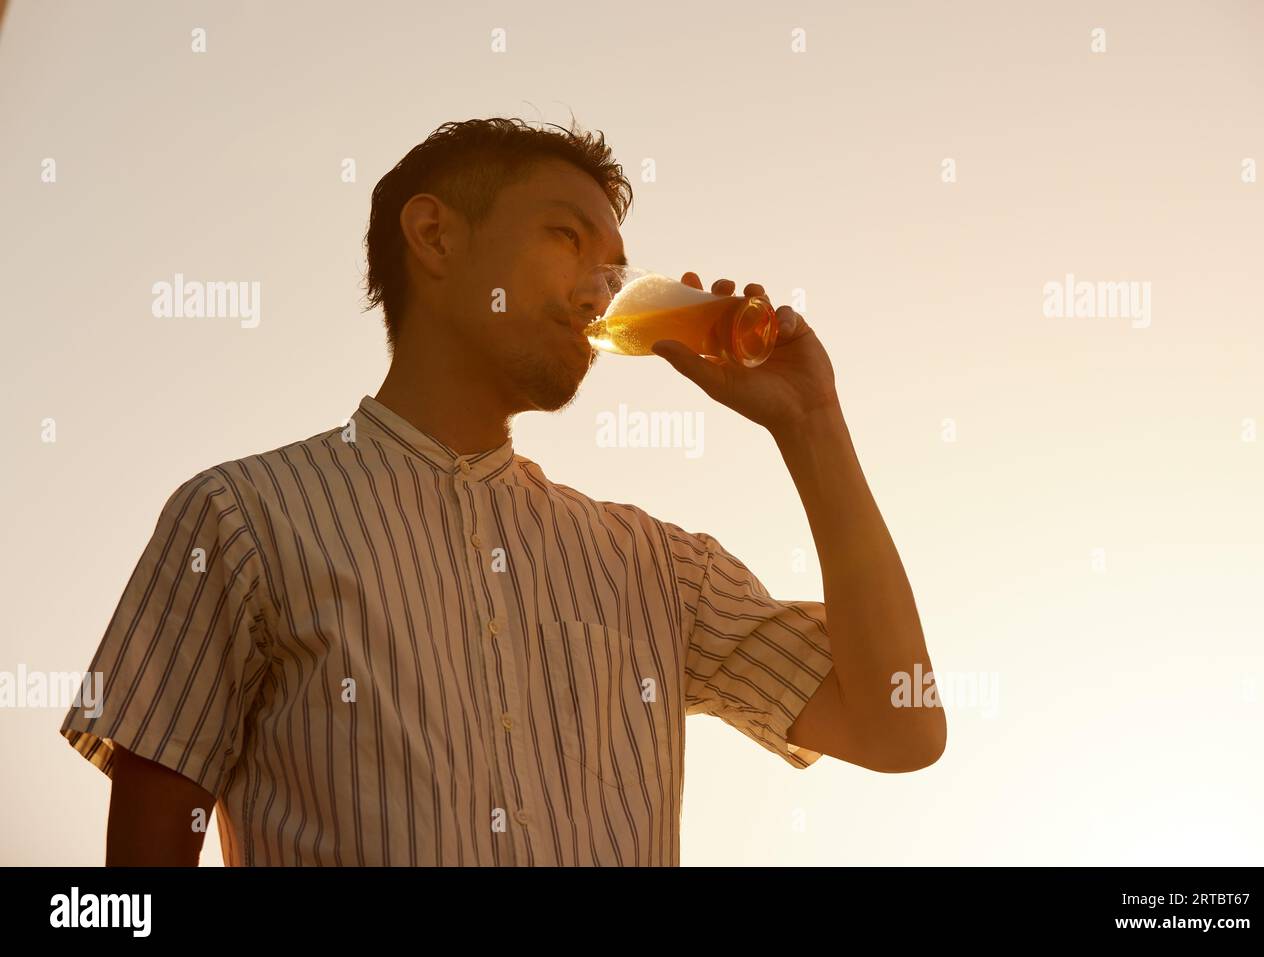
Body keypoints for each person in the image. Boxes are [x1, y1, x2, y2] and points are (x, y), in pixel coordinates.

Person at [59, 116, 944, 866]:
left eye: (617, 263)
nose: (602, 288)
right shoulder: (243, 516)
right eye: (567, 238)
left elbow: (901, 725)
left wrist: (811, 422)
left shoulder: (658, 566)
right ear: (436, 237)